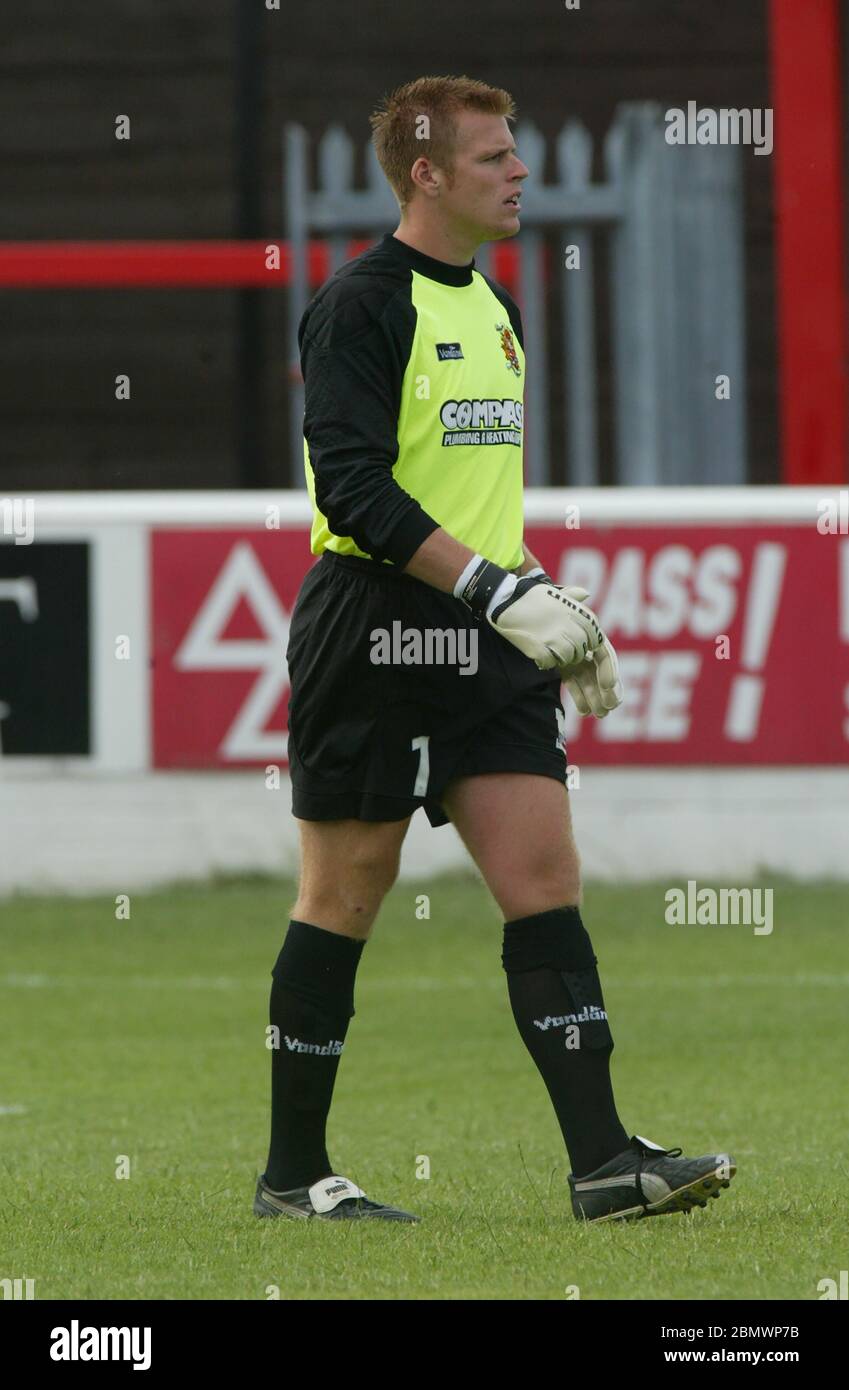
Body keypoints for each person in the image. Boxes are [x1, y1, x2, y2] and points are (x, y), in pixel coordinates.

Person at [254, 74, 736, 1225]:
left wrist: (531, 598)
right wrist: (487, 584)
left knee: (544, 881)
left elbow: (467, 489)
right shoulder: (360, 306)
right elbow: (355, 486)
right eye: (494, 157)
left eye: (515, 152)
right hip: (372, 629)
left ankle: (604, 1162)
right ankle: (293, 1174)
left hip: (488, 632)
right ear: (427, 174)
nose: (519, 171)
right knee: (345, 893)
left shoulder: (495, 308)